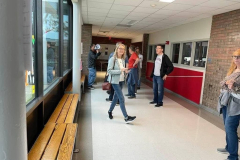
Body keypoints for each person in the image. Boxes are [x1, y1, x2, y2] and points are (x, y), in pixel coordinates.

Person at [217, 49, 240, 160]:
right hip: (226, 101)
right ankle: (229, 147)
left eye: (239, 57)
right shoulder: (233, 70)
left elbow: (233, 87)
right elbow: (223, 83)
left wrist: (233, 87)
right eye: (235, 56)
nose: (236, 59)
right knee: (227, 127)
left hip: (236, 104)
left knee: (230, 128)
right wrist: (227, 85)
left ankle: (233, 156)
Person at [107, 44, 136, 123]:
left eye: (123, 49)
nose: (121, 50)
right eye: (120, 48)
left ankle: (109, 111)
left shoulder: (123, 60)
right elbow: (109, 71)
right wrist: (121, 70)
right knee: (121, 98)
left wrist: (126, 71)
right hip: (115, 81)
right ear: (117, 49)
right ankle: (126, 117)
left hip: (122, 80)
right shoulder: (112, 59)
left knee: (116, 98)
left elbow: (123, 70)